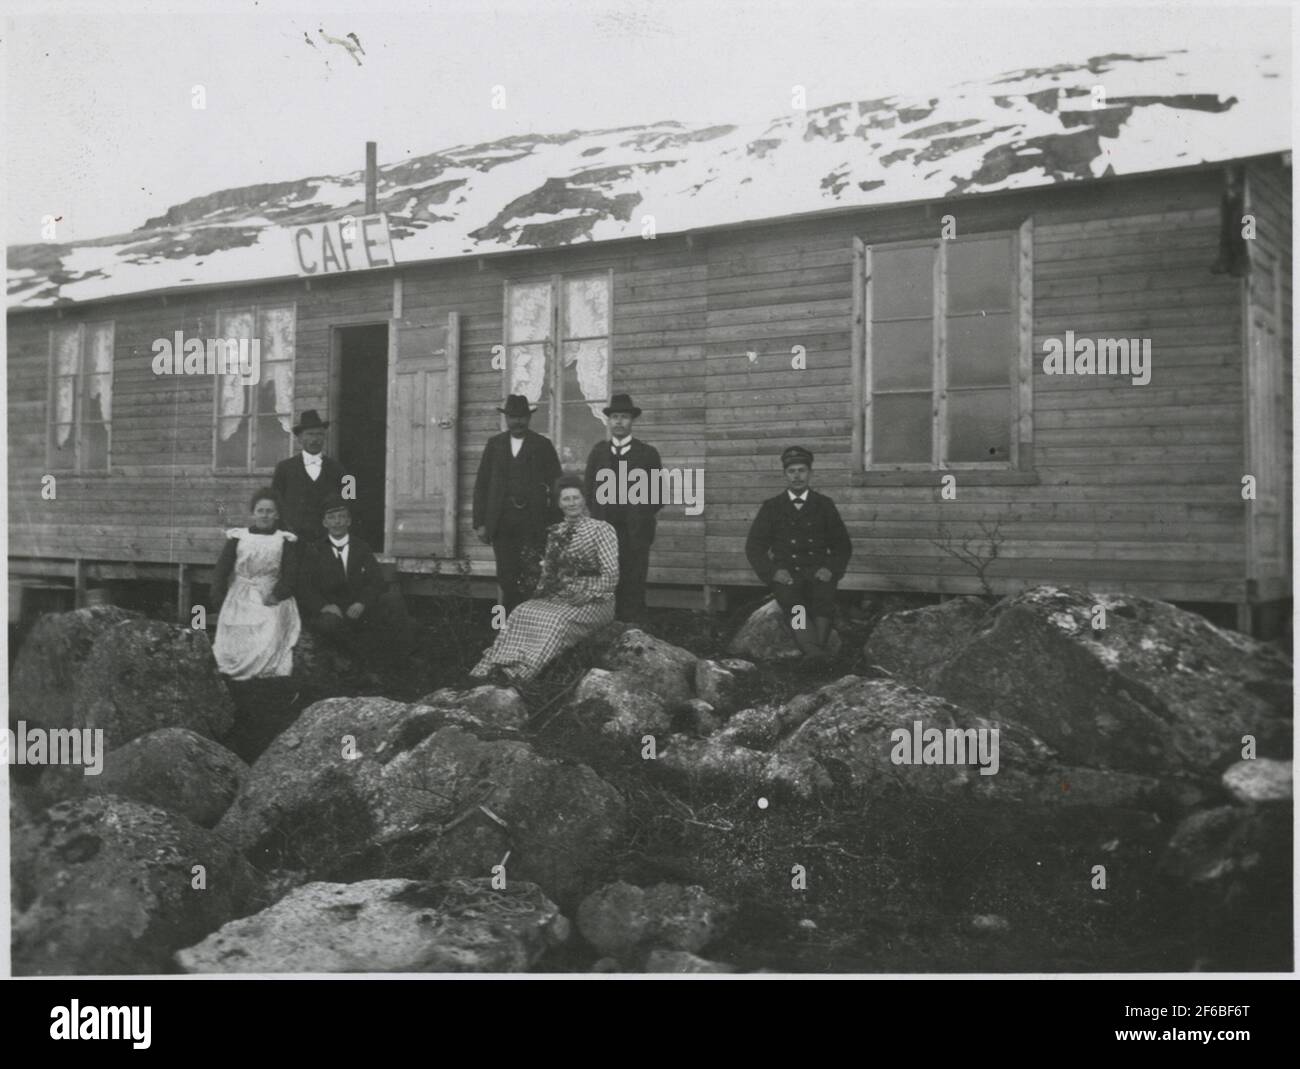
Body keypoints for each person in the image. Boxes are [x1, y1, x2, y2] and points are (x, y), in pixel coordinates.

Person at [470, 474, 619, 684]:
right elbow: (549, 572)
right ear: (559, 503)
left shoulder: (601, 529)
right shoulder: (555, 532)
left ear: (584, 499)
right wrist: (539, 597)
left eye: (576, 498)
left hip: (595, 600)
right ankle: (494, 667)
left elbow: (611, 573)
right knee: (522, 611)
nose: (572, 503)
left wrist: (588, 595)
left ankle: (520, 674)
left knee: (554, 620)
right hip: (562, 595)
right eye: (566, 499)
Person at [744, 446, 852, 661]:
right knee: (795, 605)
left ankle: (814, 651)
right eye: (792, 471)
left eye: (802, 470)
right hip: (788, 573)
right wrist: (774, 572)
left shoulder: (824, 505)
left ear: (810, 473)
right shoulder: (772, 507)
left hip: (817, 569)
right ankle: (815, 651)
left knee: (824, 599)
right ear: (785, 475)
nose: (797, 476)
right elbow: (754, 547)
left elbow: (842, 546)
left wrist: (830, 568)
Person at [297, 495, 417, 667]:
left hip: (359, 608)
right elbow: (305, 586)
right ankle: (352, 663)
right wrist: (324, 606)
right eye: (331, 518)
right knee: (329, 624)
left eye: (341, 517)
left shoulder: (362, 548)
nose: (337, 522)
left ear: (349, 521)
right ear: (324, 523)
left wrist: (362, 602)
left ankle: (401, 660)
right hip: (333, 610)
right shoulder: (314, 550)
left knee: (393, 601)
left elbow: (376, 581)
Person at [472, 394, 563, 612]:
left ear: (529, 418)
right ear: (506, 419)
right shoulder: (495, 445)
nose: (518, 422)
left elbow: (557, 484)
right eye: (513, 417)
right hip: (502, 523)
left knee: (533, 575)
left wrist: (554, 522)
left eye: (522, 417)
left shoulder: (542, 445)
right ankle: (507, 629)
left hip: (534, 522)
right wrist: (481, 523)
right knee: (507, 577)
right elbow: (482, 485)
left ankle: (530, 627)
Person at [584, 393, 662, 623]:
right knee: (607, 581)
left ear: (632, 421)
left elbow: (657, 496)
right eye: (615, 417)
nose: (619, 421)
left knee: (633, 582)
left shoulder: (647, 454)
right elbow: (590, 491)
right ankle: (607, 631)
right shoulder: (599, 453)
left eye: (624, 417)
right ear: (608, 421)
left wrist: (639, 517)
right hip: (606, 532)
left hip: (635, 533)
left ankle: (633, 636)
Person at [211, 487, 302, 679]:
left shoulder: (283, 540)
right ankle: (233, 669)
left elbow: (291, 574)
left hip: (270, 594)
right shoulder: (239, 537)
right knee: (234, 635)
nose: (265, 515)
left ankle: (260, 673)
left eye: (270, 511)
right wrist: (218, 593)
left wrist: (277, 594)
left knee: (267, 633)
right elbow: (222, 569)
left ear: (277, 514)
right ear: (253, 513)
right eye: (261, 511)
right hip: (240, 593)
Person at [271, 409, 352, 541]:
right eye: (310, 434)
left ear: (324, 437)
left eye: (319, 434)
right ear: (300, 438)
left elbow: (351, 499)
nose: (315, 439)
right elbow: (275, 503)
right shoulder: (283, 468)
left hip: (326, 541)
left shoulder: (339, 469)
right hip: (292, 540)